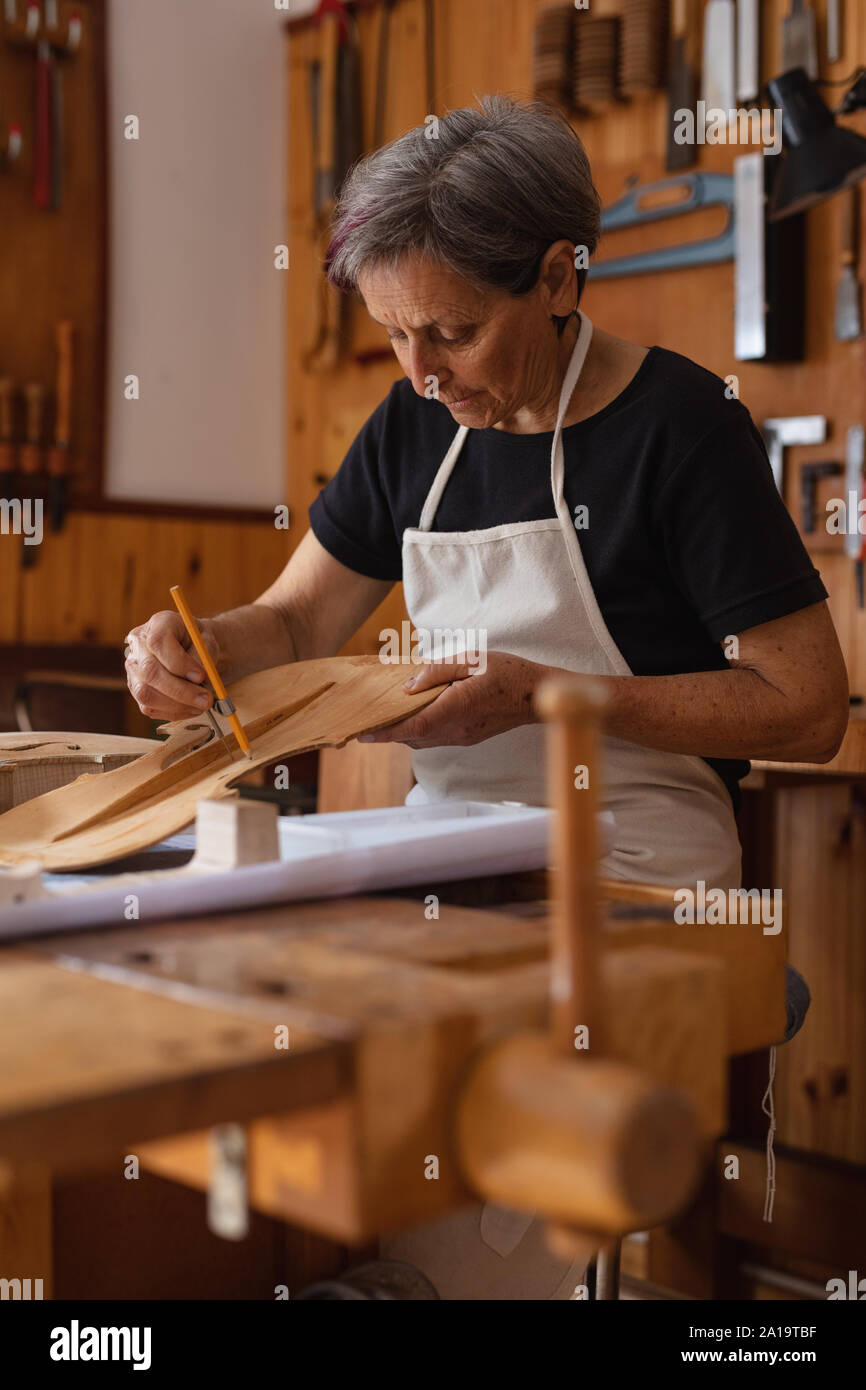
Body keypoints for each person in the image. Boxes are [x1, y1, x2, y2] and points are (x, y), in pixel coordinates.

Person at [124, 96, 848, 1297]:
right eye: (396, 335)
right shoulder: (413, 427)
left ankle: (414, 1284)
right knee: (268, 985)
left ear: (559, 279)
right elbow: (296, 619)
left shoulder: (682, 427)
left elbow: (805, 704)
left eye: (451, 332)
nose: (417, 374)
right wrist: (198, 646)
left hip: (639, 859)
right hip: (448, 845)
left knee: (492, 1058)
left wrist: (543, 699)